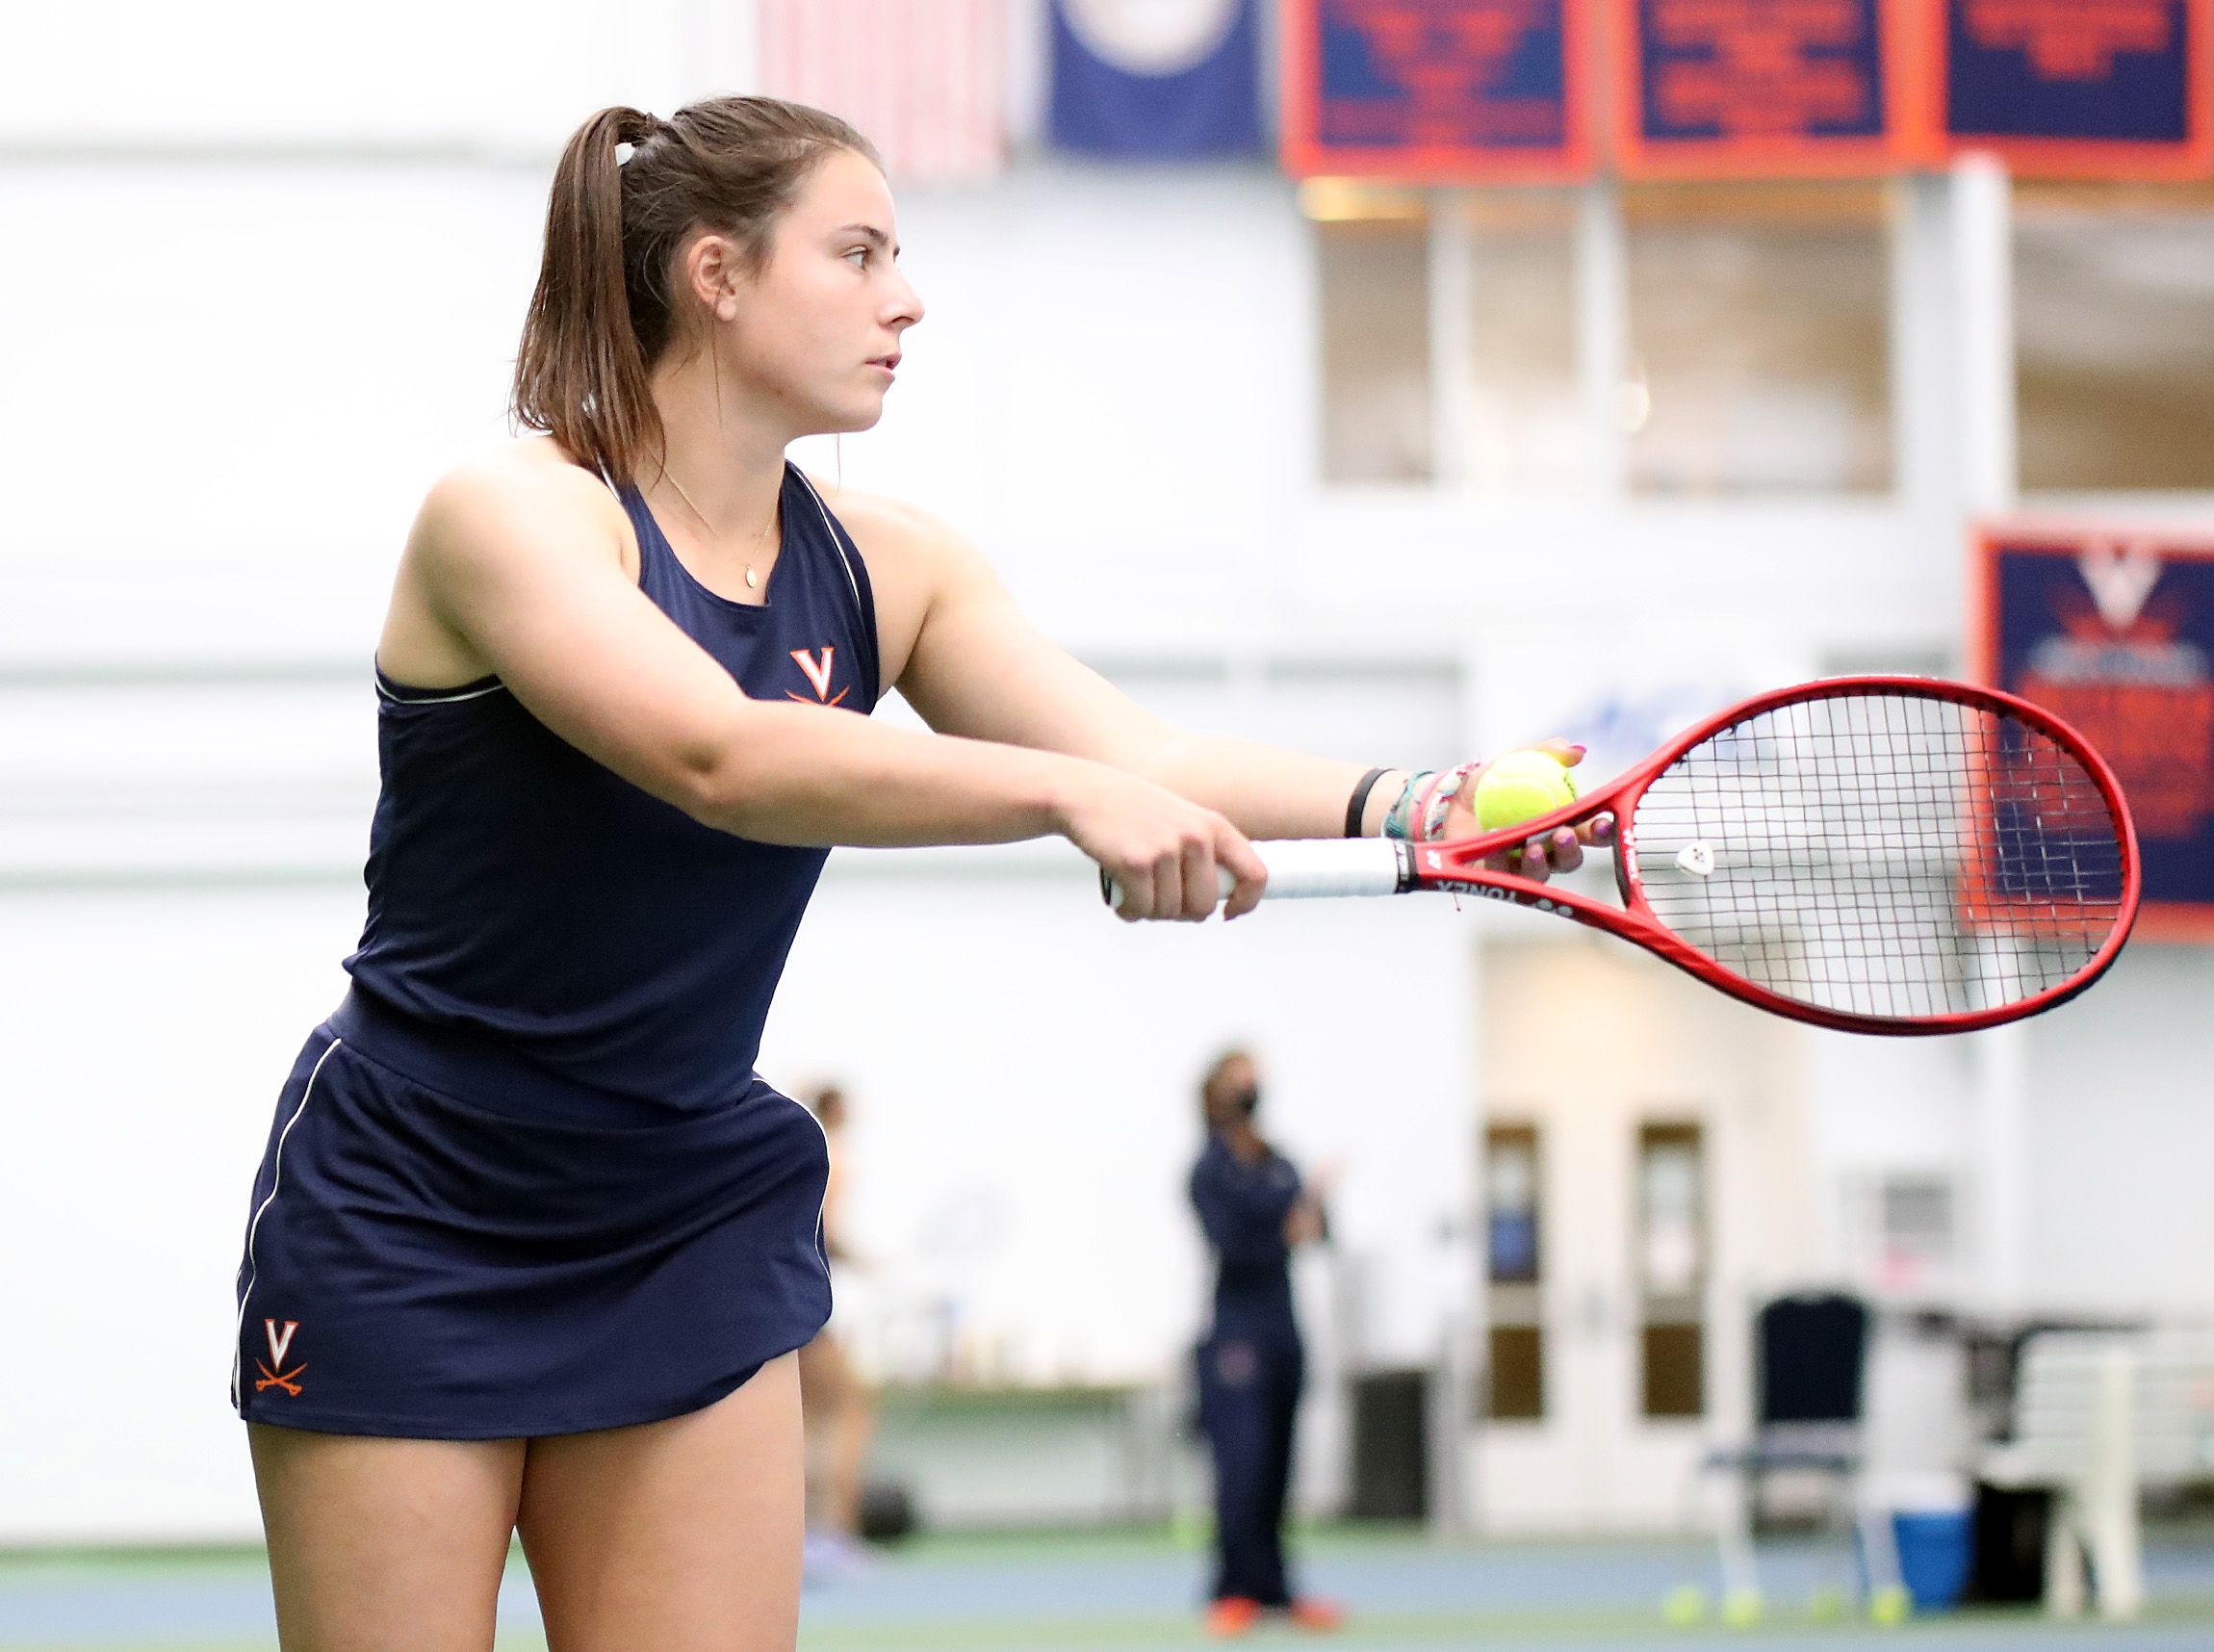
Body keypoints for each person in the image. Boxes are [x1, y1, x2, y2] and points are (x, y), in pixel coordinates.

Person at [228, 95, 1596, 1651]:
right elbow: (721, 758)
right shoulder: (514, 513)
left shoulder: (895, 567)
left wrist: (1429, 802)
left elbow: (1133, 750)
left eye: (905, 255)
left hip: (686, 1207)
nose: (910, 297)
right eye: (861, 251)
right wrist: (1064, 795)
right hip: (415, 1201)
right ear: (717, 274)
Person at [1189, 1049, 1342, 1638]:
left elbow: (1318, 1234)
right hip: (1235, 1329)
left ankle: (1277, 1590)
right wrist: (1287, 1230)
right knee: (1241, 1460)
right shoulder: (1207, 1169)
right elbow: (1234, 1244)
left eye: (1255, 1076)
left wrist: (1317, 1209)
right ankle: (1232, 1590)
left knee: (1280, 1460)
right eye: (1238, 1076)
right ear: (1215, 1091)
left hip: (1283, 1324)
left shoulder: (1281, 1162)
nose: (1250, 1086)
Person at [795, 1083, 879, 1579]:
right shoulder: (831, 1160)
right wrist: (865, 1262)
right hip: (811, 1307)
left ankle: (811, 1539)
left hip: (801, 1305)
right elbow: (822, 1232)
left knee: (809, 1421)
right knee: (849, 1413)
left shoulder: (804, 1152)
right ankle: (832, 1537)